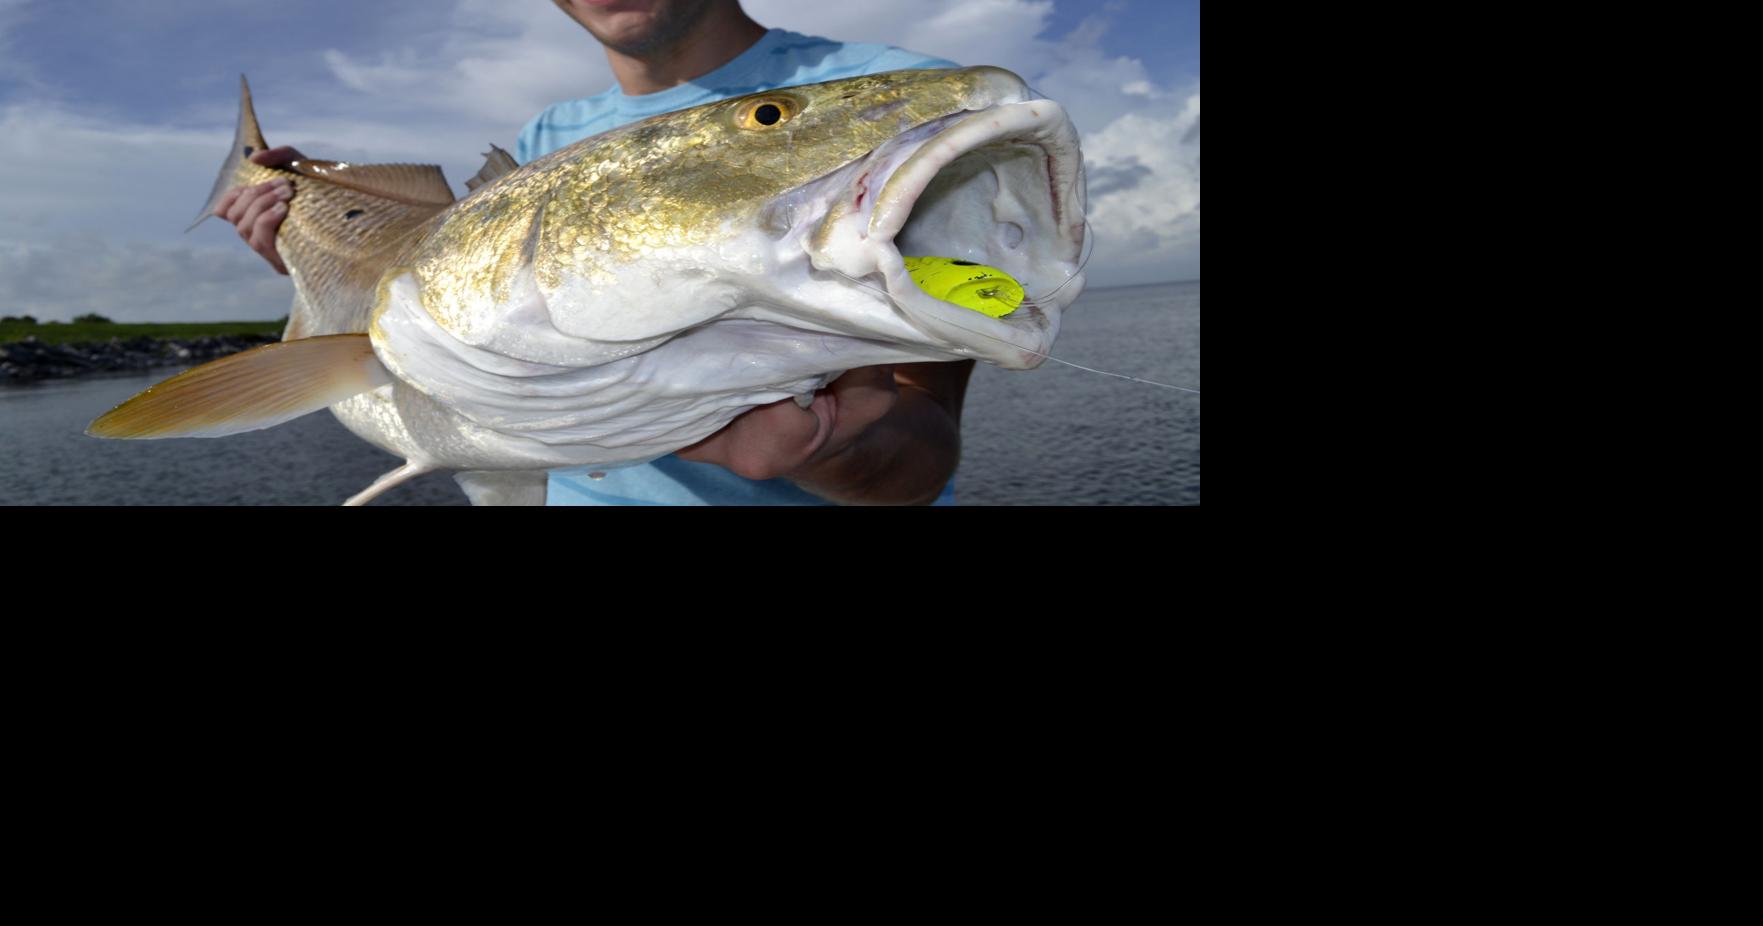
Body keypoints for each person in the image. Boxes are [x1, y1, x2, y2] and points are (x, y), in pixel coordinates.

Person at [215, 0, 971, 506]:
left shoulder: (906, 107)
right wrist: (317, 262)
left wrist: (824, 447)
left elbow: (922, 444)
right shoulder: (550, 134)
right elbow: (454, 296)